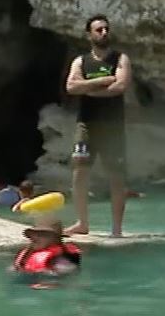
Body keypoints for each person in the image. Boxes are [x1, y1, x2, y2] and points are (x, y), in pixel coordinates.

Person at [66, 14, 131, 237]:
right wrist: (102, 81)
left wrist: (87, 89)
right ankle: (82, 223)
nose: (104, 33)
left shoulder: (120, 59)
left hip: (113, 126)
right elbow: (71, 87)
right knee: (79, 171)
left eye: (106, 29)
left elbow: (120, 87)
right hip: (86, 124)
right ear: (89, 34)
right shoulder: (81, 61)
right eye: (99, 30)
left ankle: (116, 229)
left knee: (116, 176)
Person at [11, 216, 81, 284]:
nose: (35, 238)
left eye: (42, 235)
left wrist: (50, 280)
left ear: (55, 239)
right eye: (33, 235)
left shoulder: (60, 259)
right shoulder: (28, 253)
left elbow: (67, 273)